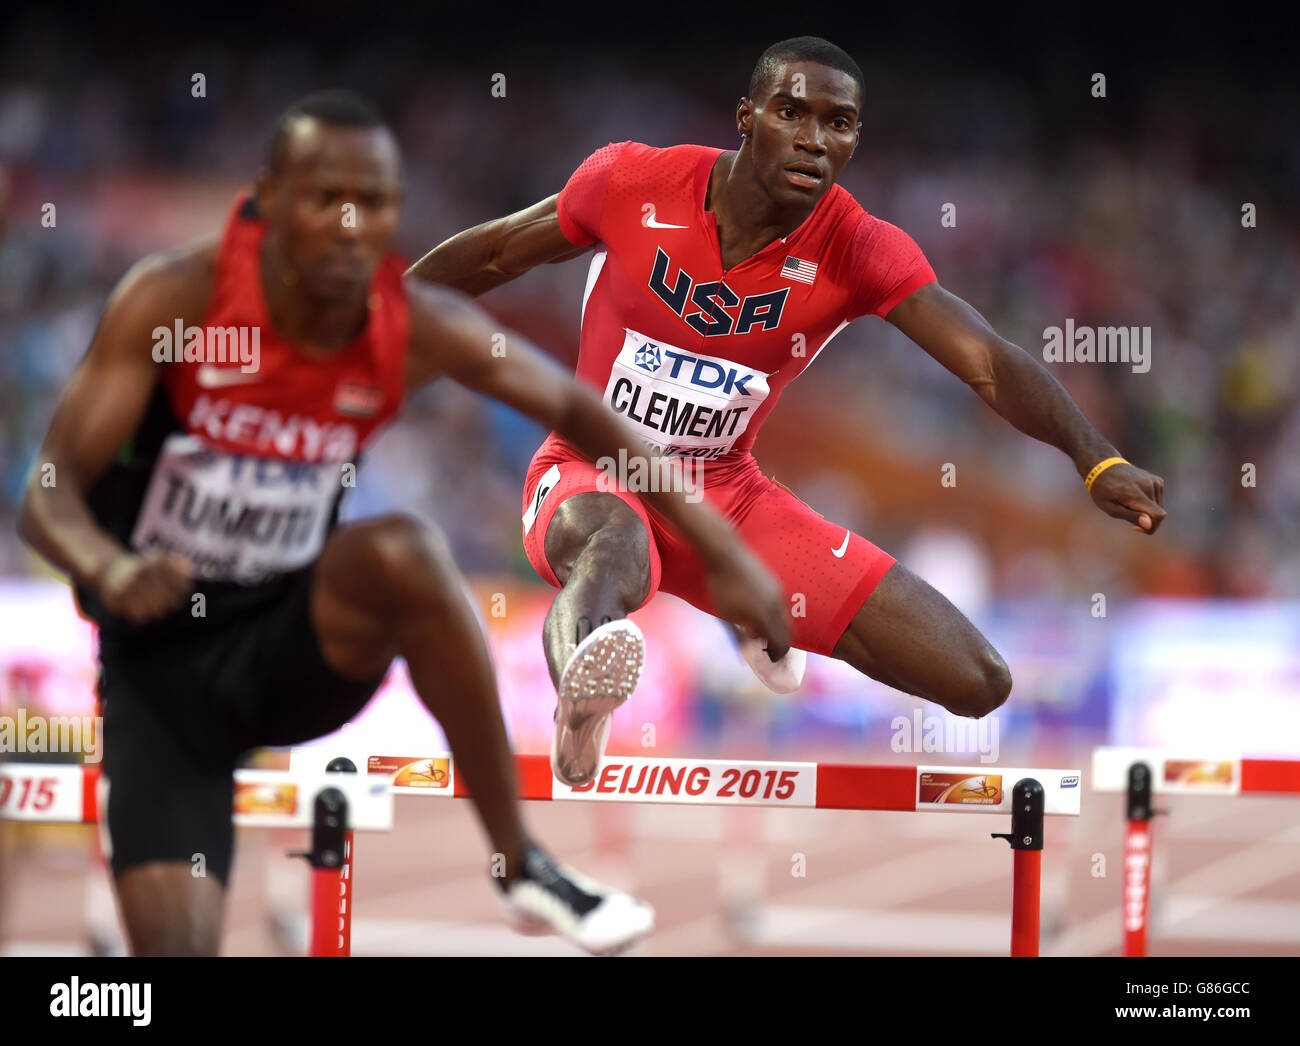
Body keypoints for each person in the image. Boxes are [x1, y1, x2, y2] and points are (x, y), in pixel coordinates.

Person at [16, 90, 788, 957]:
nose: (354, 227)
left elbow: (588, 414)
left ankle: (521, 864)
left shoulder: (407, 324)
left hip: (288, 640)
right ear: (269, 199)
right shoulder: (175, 302)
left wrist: (729, 555)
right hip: (160, 661)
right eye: (325, 199)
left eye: (377, 205)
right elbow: (47, 495)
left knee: (407, 551)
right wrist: (112, 570)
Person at [408, 36, 1167, 787]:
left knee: (978, 680)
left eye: (837, 124)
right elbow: (497, 253)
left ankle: (745, 607)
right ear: (746, 117)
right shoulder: (630, 180)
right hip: (592, 470)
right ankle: (583, 709)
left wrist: (1093, 455)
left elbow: (990, 364)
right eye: (791, 113)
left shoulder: (859, 248)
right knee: (616, 544)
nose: (813, 140)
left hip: (726, 500)